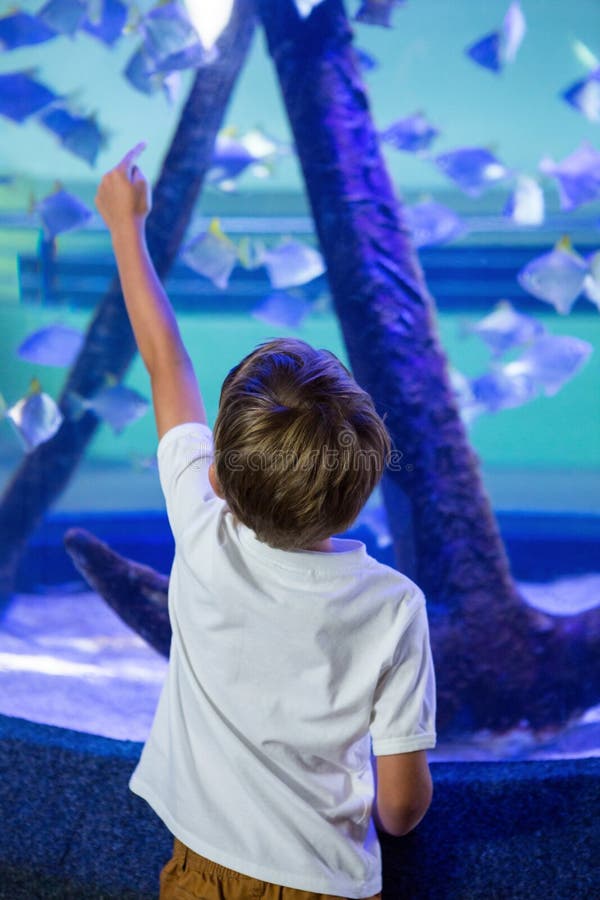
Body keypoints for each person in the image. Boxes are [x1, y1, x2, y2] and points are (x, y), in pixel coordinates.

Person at [95, 145, 436, 900]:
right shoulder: (393, 608)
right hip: (327, 884)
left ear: (217, 475)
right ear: (363, 484)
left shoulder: (201, 525)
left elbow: (166, 364)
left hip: (200, 871)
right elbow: (403, 808)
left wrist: (127, 227)